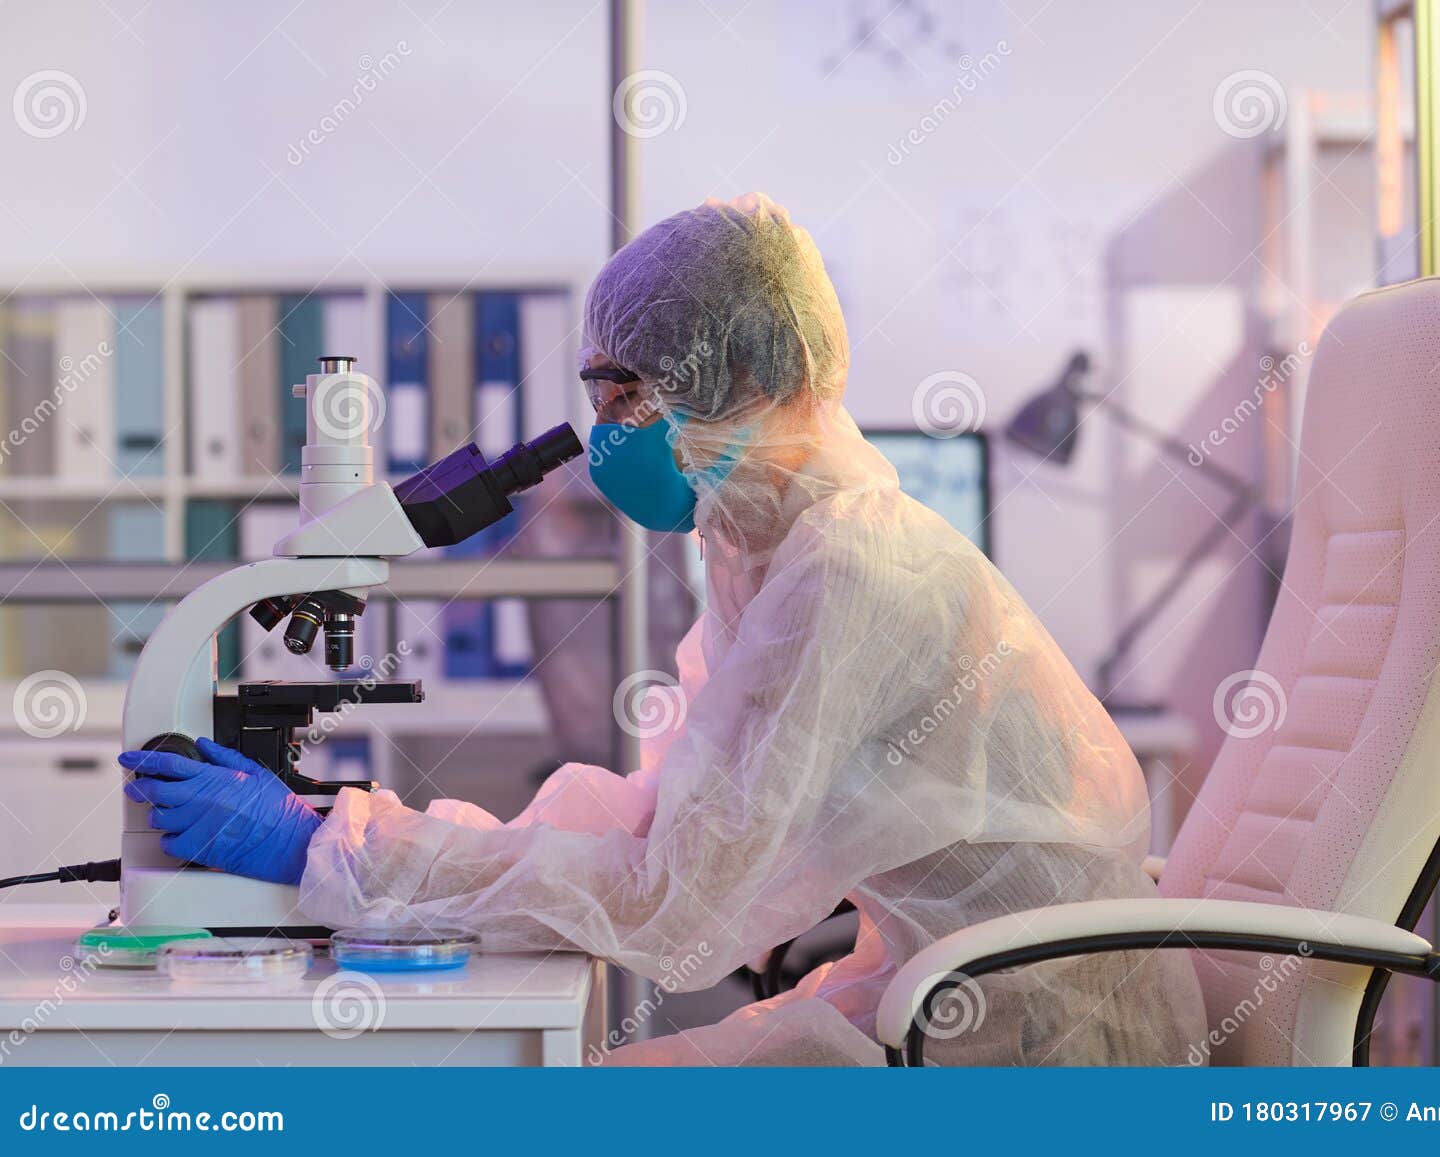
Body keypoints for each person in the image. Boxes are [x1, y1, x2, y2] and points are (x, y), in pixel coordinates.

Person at [120, 193, 1205, 1066]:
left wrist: (332, 850)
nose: (603, 437)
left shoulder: (848, 569)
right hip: (934, 997)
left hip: (1038, 1048)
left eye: (624, 397)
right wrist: (367, 840)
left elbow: (677, 912)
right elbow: (666, 816)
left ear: (747, 378)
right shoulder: (762, 543)